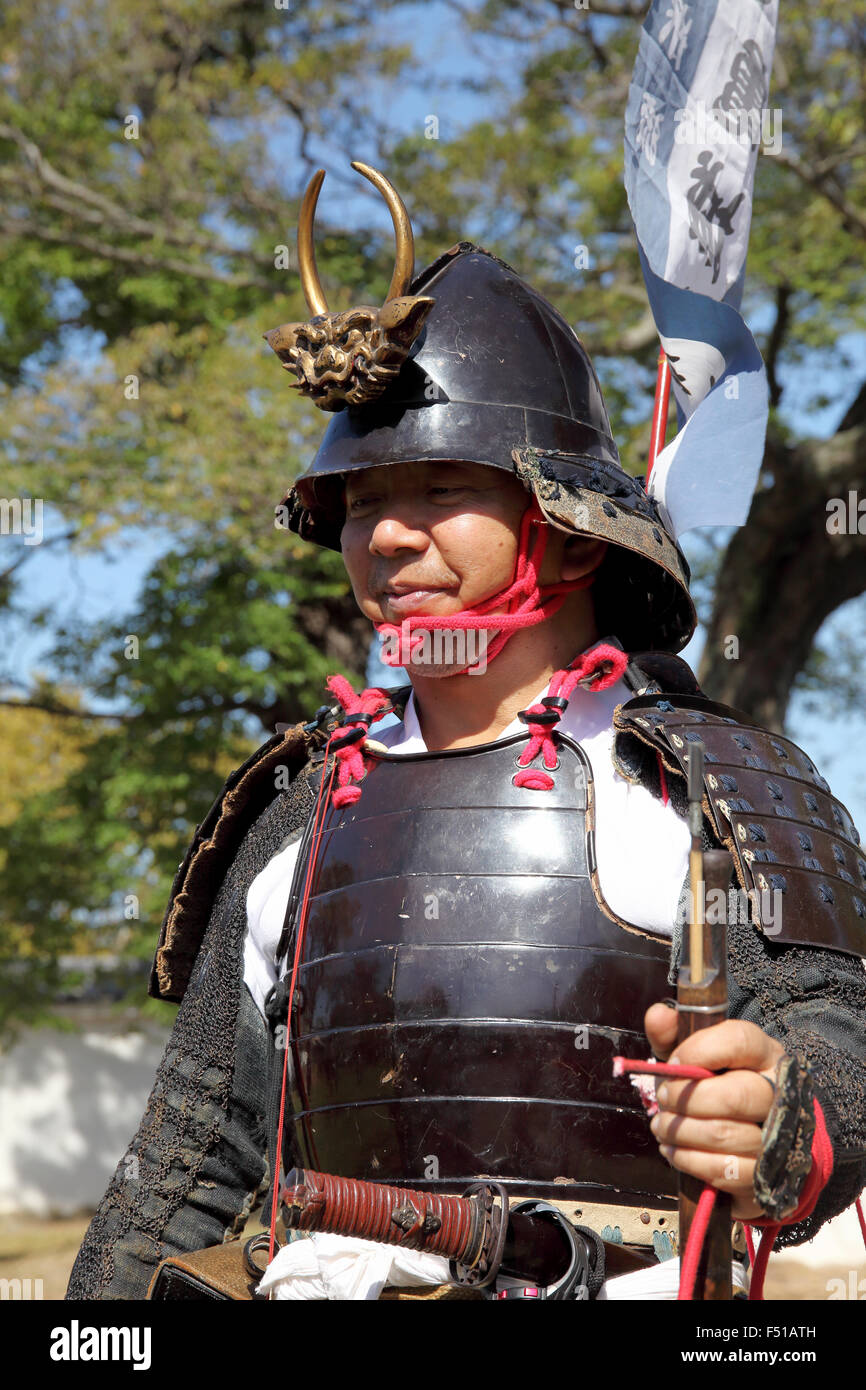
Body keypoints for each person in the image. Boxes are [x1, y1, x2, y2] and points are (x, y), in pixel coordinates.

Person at [67, 165, 866, 1301]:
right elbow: (187, 1162)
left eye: (440, 488)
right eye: (356, 501)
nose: (385, 536)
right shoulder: (299, 810)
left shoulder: (711, 785)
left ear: (573, 534)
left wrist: (791, 1115)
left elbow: (840, 1036)